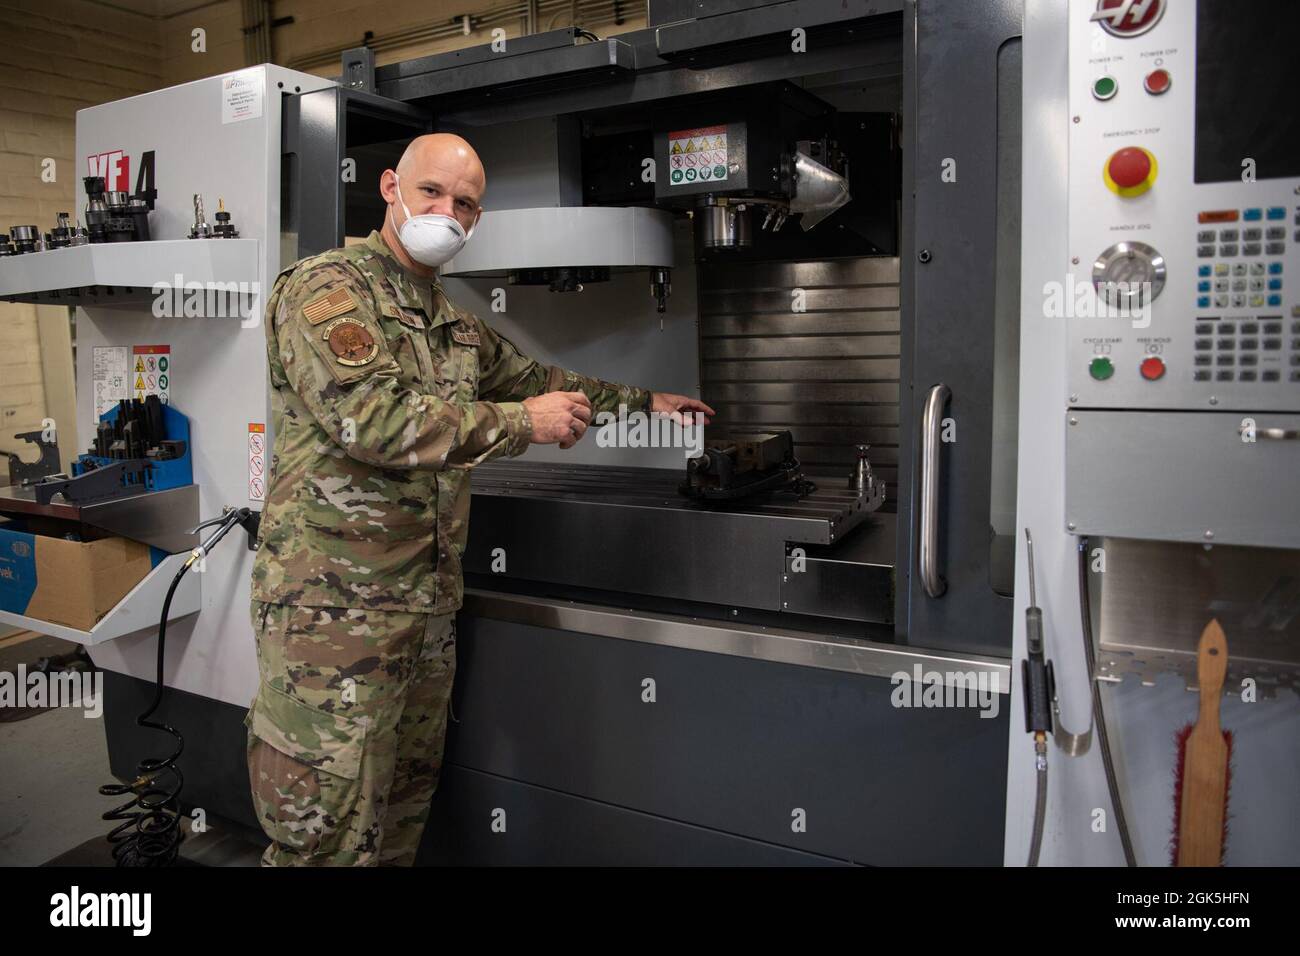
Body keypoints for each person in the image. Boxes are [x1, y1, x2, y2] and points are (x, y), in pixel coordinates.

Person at [244, 133, 713, 866]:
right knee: (324, 837)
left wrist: (646, 402)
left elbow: (539, 381)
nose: (447, 211)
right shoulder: (326, 289)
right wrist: (525, 426)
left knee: (397, 818)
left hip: (425, 611)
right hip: (332, 619)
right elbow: (373, 419)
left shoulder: (453, 323)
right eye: (432, 192)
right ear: (391, 187)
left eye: (465, 203)